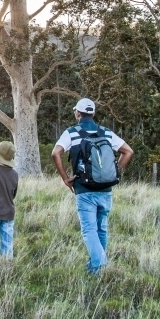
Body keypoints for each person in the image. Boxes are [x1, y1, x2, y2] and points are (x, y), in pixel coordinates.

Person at [51, 98, 133, 273]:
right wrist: (115, 170)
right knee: (101, 228)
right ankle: (96, 268)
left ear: (77, 113)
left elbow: (55, 154)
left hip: (84, 190)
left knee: (89, 231)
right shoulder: (106, 132)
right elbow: (128, 151)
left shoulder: (71, 133)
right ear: (93, 113)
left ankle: (100, 267)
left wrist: (66, 179)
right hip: (106, 190)